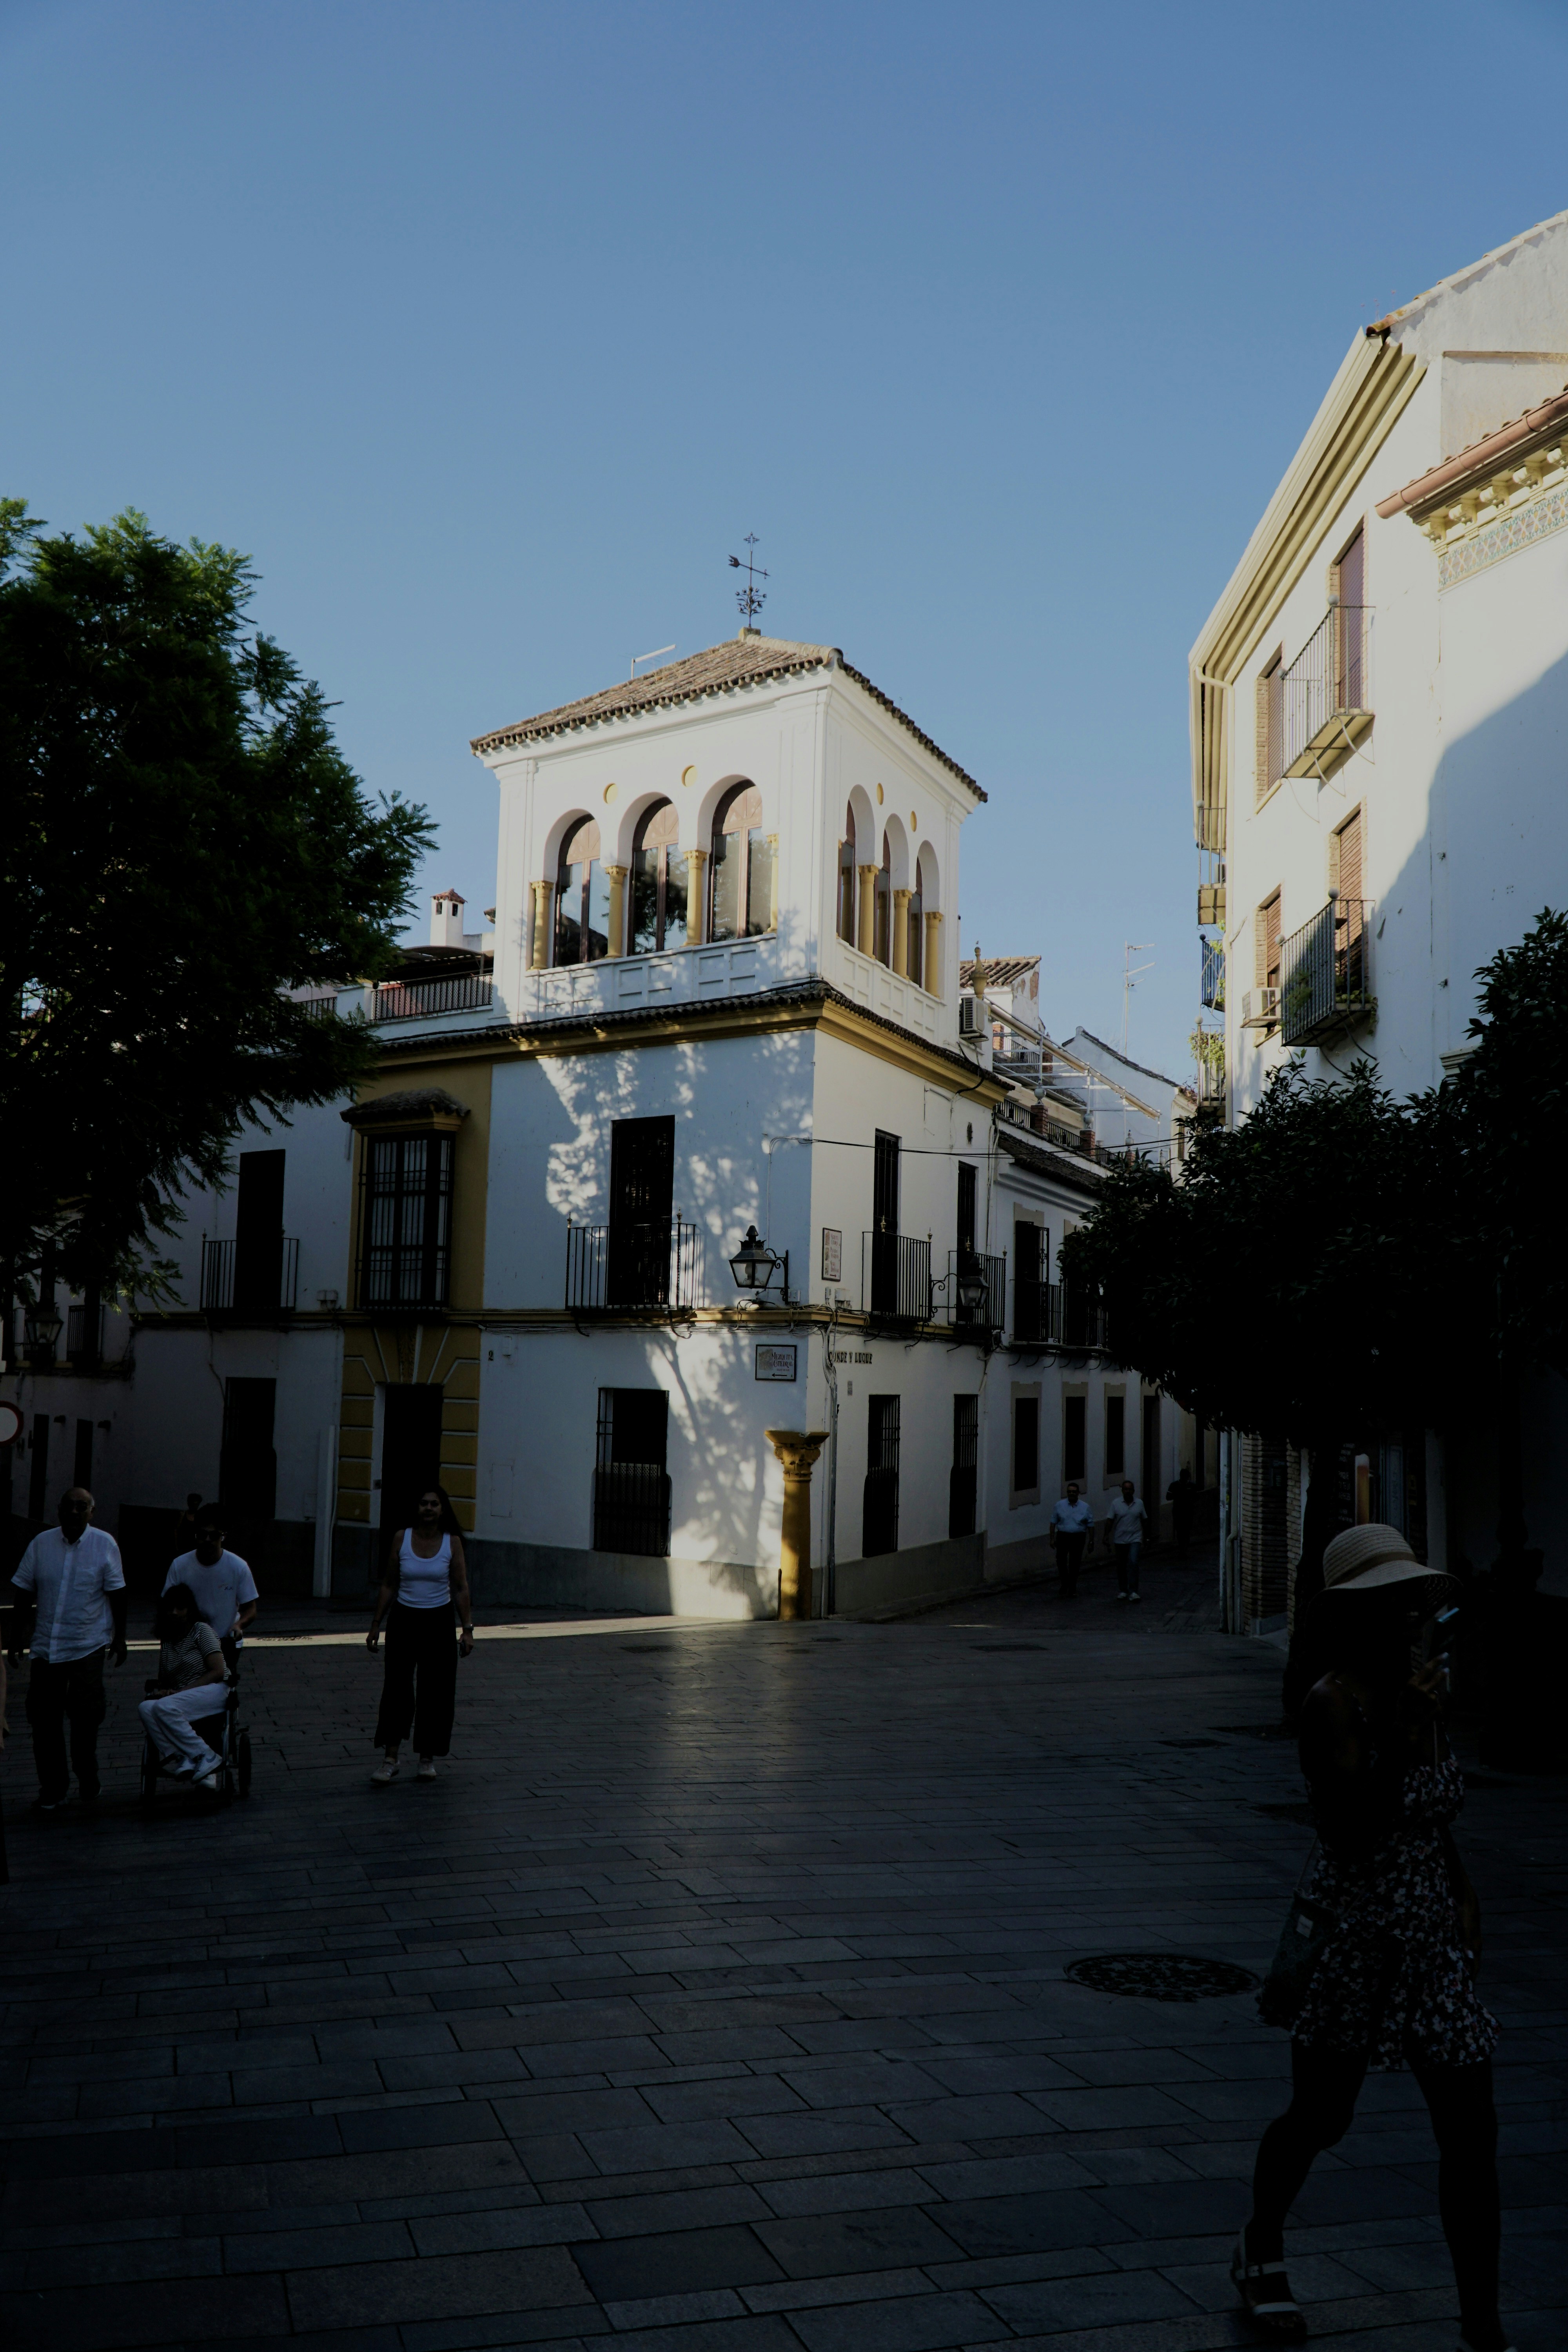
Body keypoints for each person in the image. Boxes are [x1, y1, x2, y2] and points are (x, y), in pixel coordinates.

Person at [1234, 1524, 1510, 2352]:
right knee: (1320, 2115)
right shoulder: (1332, 1704)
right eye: (1389, 1607)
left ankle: (1481, 2324)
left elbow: (1431, 1813)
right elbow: (1354, 1831)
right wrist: (1400, 1728)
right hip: (1354, 1939)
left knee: (1470, 2130)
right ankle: (1259, 2245)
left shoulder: (1422, 1686)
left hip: (1429, 1939)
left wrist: (1460, 1888)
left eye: (1411, 1605)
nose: (1407, 1622)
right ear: (1353, 1618)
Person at [7, 1487, 127, 1811]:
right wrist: (17, 1635)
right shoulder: (41, 1545)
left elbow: (117, 1593)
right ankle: (53, 1787)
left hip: (87, 1645)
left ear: (92, 1511)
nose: (74, 1512)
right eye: (68, 1507)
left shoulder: (105, 1545)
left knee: (86, 1717)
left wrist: (120, 1637)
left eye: (81, 1507)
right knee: (44, 1720)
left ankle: (87, 1776)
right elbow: (24, 1592)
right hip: (47, 1646)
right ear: (58, 1511)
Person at [366, 1486, 474, 1784]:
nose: (428, 1508)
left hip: (438, 1622)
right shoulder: (402, 1538)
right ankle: (390, 1758)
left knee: (436, 1690)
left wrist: (467, 1630)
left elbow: (461, 1588)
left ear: (443, 1509)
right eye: (424, 1503)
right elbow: (388, 1583)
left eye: (434, 1504)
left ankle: (427, 1758)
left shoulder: (452, 1543)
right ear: (417, 1508)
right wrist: (376, 1624)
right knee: (397, 1688)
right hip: (404, 1620)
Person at [138, 1583, 229, 1793]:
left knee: (164, 1708)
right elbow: (166, 1679)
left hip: (214, 1688)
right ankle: (183, 1756)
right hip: (185, 1696)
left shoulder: (201, 1631)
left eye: (180, 1608)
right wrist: (163, 1690)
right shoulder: (168, 1641)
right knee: (146, 1708)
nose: (175, 1613)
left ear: (190, 1609)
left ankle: (205, 1755)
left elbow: (218, 1670)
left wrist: (182, 1691)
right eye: (170, 1609)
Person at [163, 1505, 258, 1668]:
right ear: (195, 1536)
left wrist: (239, 1625)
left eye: (214, 1536)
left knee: (222, 1687)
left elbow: (251, 1608)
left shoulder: (238, 1567)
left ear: (223, 1537)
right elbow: (166, 1605)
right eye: (202, 1535)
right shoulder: (180, 1566)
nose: (207, 1540)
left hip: (226, 1641)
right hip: (188, 1642)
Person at [1106, 1476, 1148, 1602]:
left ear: (1133, 1491)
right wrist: (1106, 1535)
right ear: (1122, 1491)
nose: (1128, 1492)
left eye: (1130, 1489)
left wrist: (1146, 1536)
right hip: (1120, 1539)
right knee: (1121, 1566)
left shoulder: (1139, 1503)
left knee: (1134, 1562)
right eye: (1125, 1489)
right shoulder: (1116, 1504)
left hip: (1135, 1538)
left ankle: (1134, 1591)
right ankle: (1123, 1590)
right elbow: (1110, 1520)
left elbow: (1144, 1520)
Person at [1048, 1481, 1093, 1597]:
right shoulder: (1059, 1505)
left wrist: (1091, 1541)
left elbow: (1091, 1525)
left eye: (1074, 1492)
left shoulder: (1085, 1507)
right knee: (1061, 1561)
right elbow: (1053, 1523)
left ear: (1078, 1493)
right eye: (1069, 1492)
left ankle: (1072, 1586)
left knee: (1075, 1562)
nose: (1072, 1494)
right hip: (1063, 1536)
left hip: (1078, 1537)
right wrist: (1052, 1538)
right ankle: (1065, 1583)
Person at [1166, 1465, 1198, 1561]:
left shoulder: (1192, 1486)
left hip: (1188, 1512)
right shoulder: (1174, 1485)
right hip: (1178, 1512)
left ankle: (1185, 1549)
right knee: (1180, 1531)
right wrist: (1177, 1495)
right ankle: (1182, 1549)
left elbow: (1196, 1498)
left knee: (1187, 1531)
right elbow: (1168, 1497)